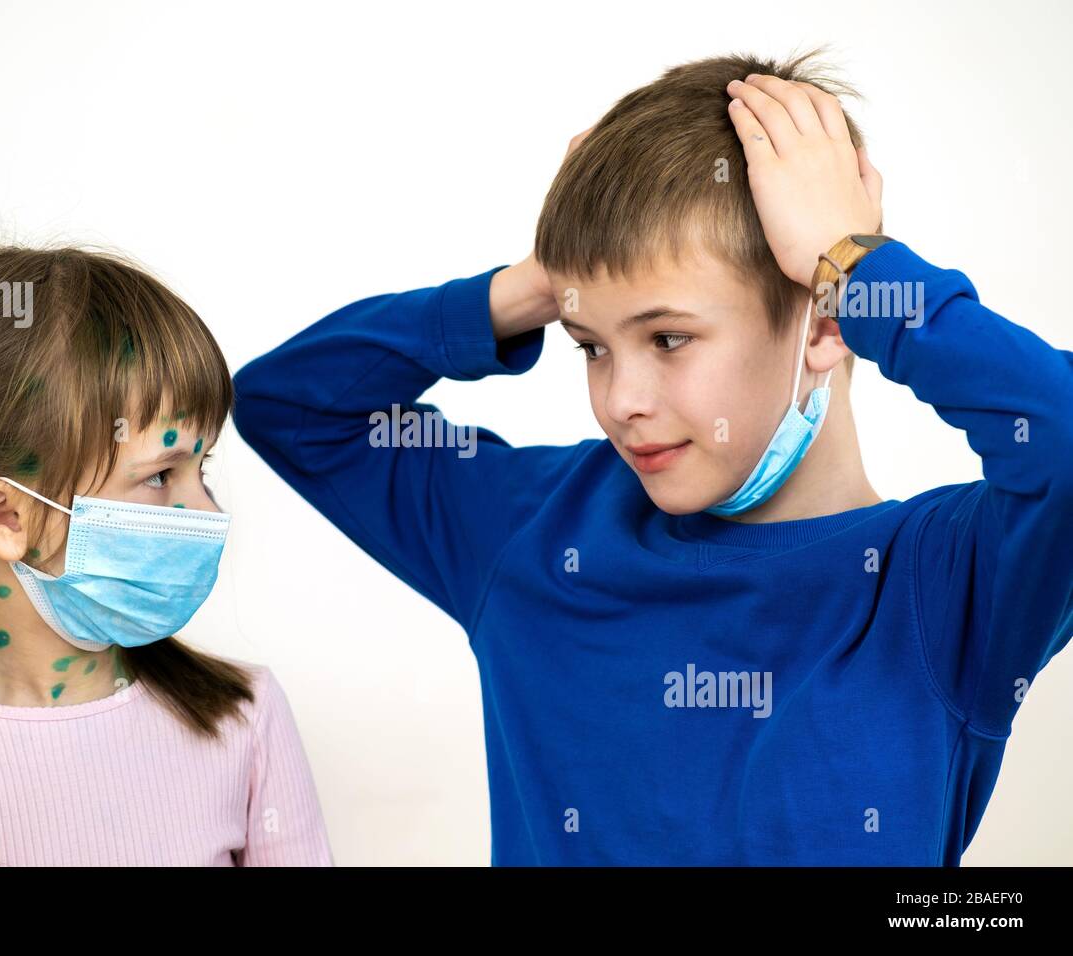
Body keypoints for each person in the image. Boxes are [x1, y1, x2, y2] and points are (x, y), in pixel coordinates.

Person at [232, 52, 1073, 865]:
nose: (618, 400)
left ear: (825, 324)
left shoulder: (947, 589)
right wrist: (531, 286)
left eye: (668, 337)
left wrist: (856, 264)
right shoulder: (534, 530)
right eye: (590, 345)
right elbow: (292, 408)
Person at [0, 243, 333, 866]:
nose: (207, 514)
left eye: (200, 468)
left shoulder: (243, 719)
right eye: (159, 476)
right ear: (2, 517)